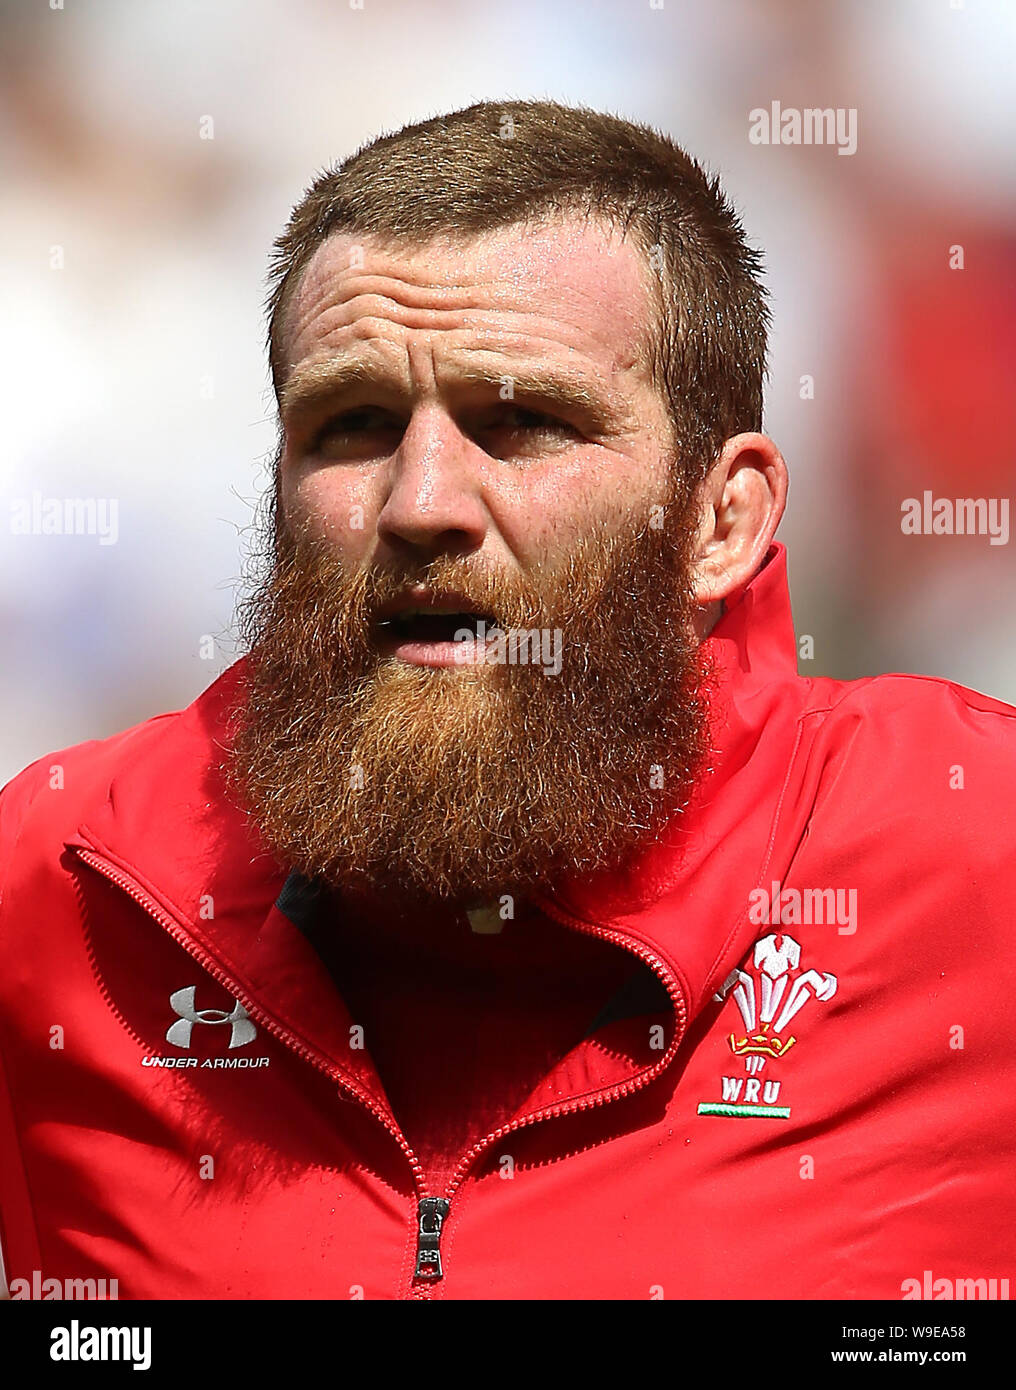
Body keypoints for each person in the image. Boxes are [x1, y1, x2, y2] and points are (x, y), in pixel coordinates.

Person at [1, 100, 1014, 1302]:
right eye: (355, 424)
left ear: (720, 520)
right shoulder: (68, 888)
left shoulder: (971, 854)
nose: (420, 500)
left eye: (522, 421)